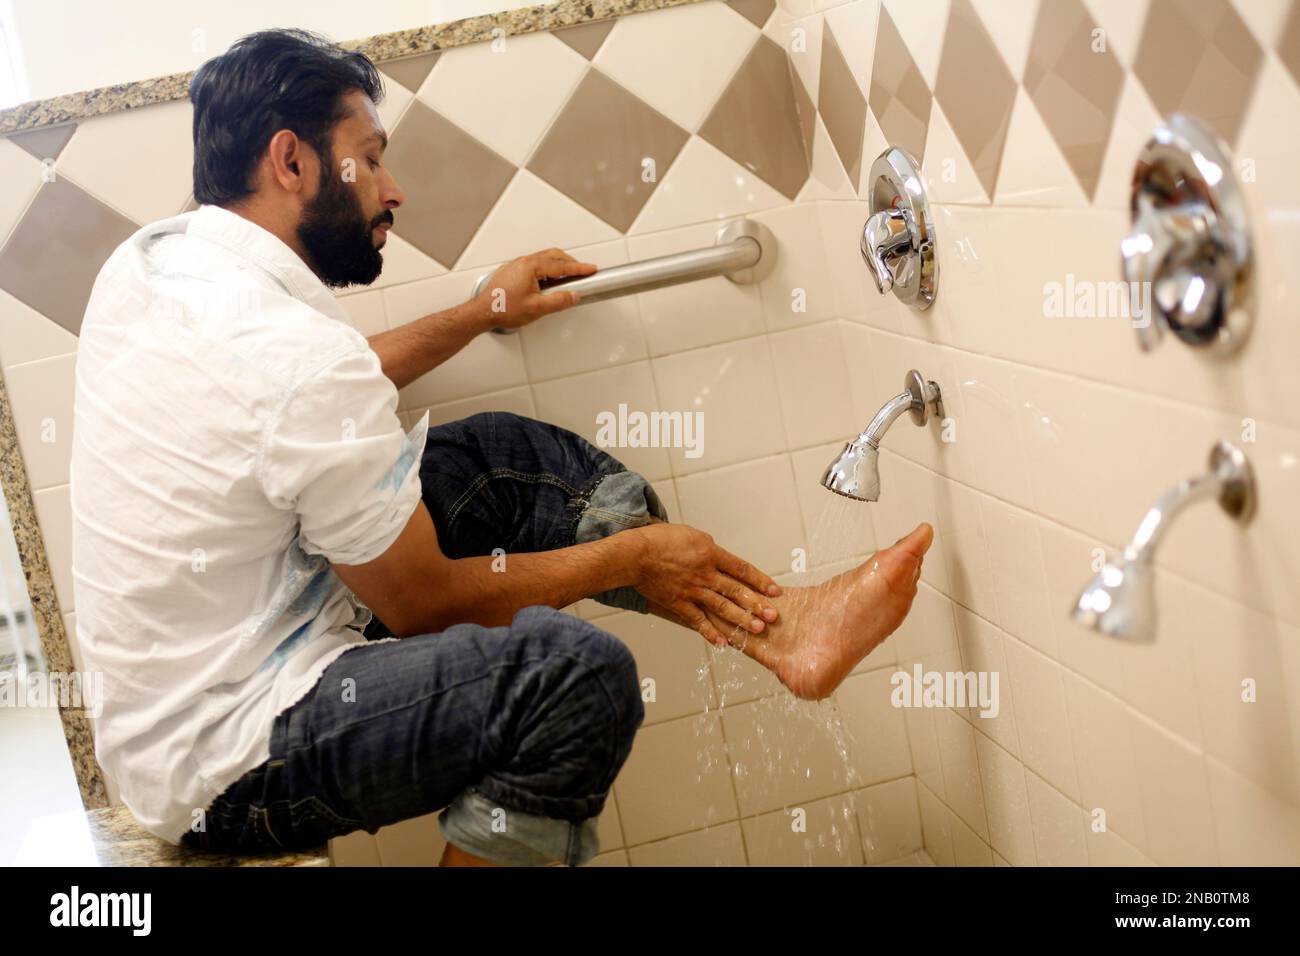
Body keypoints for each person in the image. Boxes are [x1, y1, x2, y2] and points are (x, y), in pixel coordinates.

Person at [69, 28, 932, 867]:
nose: (390, 188)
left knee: (496, 459)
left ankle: (778, 632)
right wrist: (632, 557)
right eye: (368, 159)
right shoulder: (288, 351)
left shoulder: (154, 268)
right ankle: (758, 620)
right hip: (224, 761)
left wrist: (482, 313)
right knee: (574, 682)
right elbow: (426, 605)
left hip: (189, 690)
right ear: (290, 162)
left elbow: (305, 409)